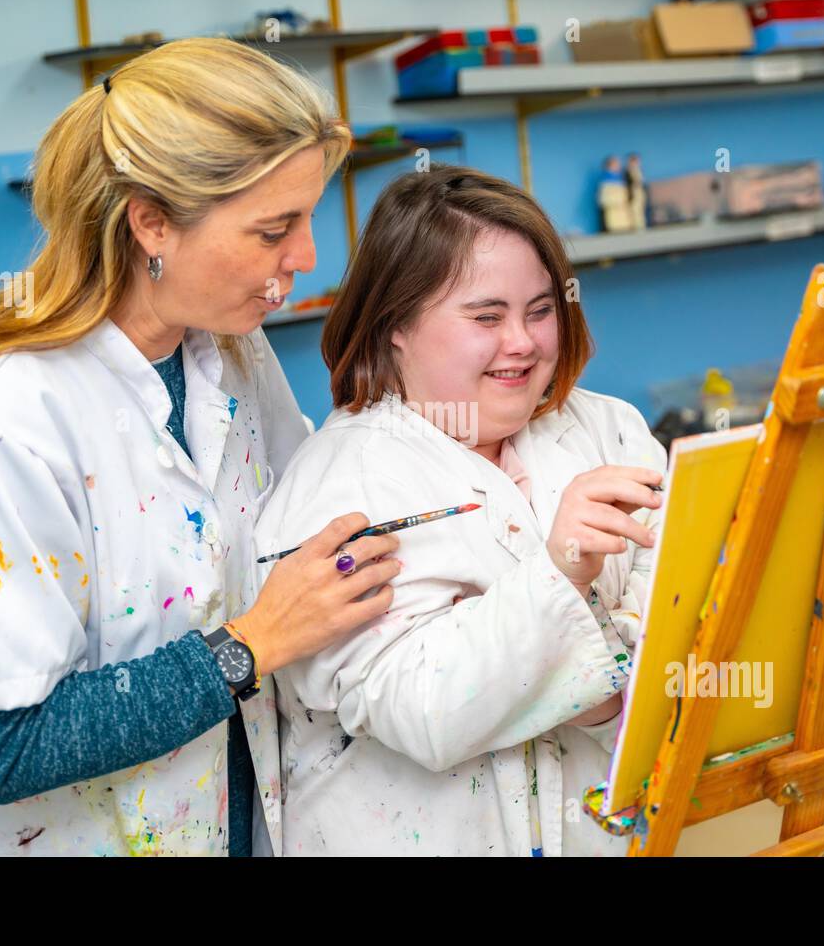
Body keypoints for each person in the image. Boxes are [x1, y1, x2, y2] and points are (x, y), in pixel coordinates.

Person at [0, 38, 399, 856]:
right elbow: (10, 747)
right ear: (151, 221)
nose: (307, 258)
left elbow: (299, 525)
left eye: (309, 217)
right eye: (273, 229)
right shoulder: (1, 420)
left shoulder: (227, 352)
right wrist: (256, 643)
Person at [255, 165, 667, 855]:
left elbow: (686, 611)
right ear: (396, 326)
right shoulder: (342, 486)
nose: (524, 343)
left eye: (541, 310)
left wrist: (593, 674)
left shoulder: (607, 430)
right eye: (486, 317)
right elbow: (425, 711)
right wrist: (564, 579)